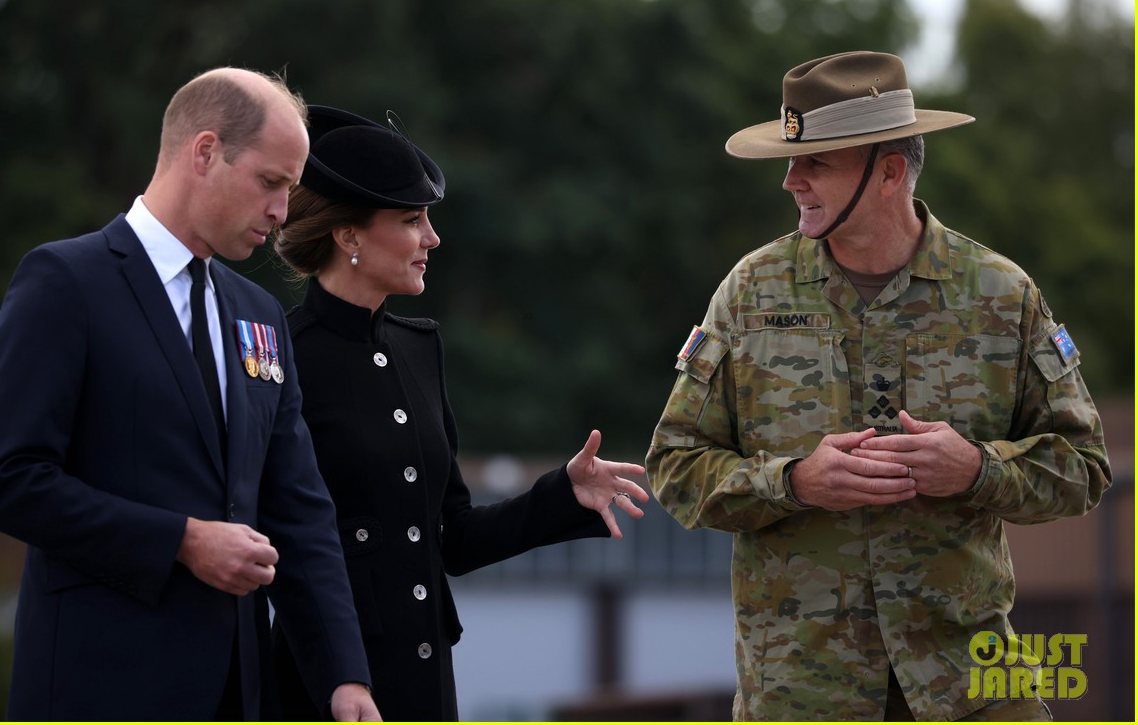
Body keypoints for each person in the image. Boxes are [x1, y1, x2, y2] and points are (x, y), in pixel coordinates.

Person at [645, 51, 1111, 721]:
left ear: (889, 170)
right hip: (803, 698)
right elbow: (675, 466)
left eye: (817, 163)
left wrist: (977, 469)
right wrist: (794, 482)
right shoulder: (750, 292)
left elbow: (1085, 466)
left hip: (973, 695)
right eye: (791, 158)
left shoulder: (1001, 295)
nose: (791, 180)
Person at [0, 68, 379, 721]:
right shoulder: (63, 282)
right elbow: (6, 481)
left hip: (235, 697)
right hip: (98, 690)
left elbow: (299, 508)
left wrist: (344, 676)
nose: (282, 213)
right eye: (272, 183)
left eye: (291, 190)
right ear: (205, 153)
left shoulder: (262, 316)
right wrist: (181, 540)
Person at [269, 105, 651, 721]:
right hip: (322, 688)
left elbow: (454, 539)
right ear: (349, 236)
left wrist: (561, 496)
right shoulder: (278, 357)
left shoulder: (417, 349)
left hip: (424, 683)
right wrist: (340, 676)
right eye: (411, 220)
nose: (432, 239)